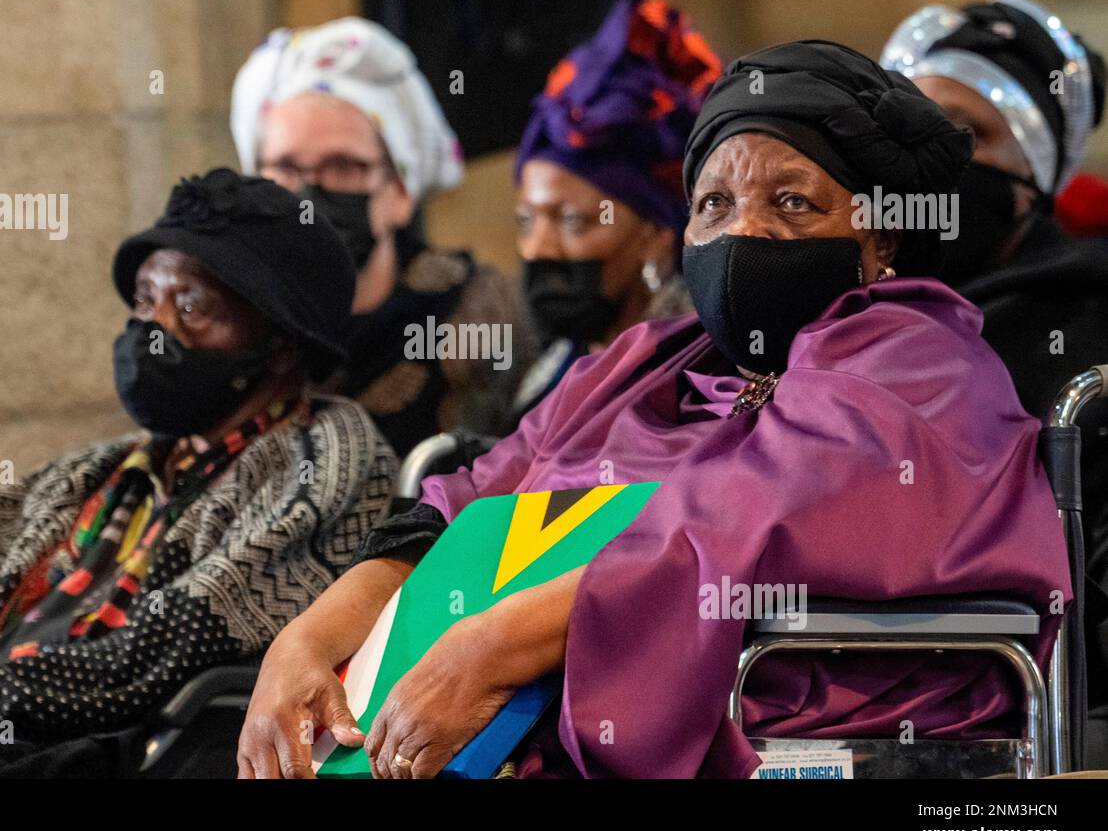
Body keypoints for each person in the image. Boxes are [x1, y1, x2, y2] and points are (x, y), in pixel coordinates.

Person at [235, 41, 1071, 779]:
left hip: (789, 734)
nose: (743, 232)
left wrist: (492, 647)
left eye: (793, 204)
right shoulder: (651, 359)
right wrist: (308, 638)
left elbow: (737, 528)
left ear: (881, 240)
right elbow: (472, 497)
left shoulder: (917, 359)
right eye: (713, 205)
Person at [0, 171, 396, 777]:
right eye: (145, 298)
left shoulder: (326, 456)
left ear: (280, 345)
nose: (152, 328)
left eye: (191, 308)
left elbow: (188, 642)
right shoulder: (110, 467)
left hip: (128, 749)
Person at [882, 0, 1108, 760]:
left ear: (1030, 182)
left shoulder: (1086, 319)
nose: (939, 161)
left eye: (971, 137)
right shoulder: (845, 314)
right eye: (919, 132)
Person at [232, 18, 532, 457]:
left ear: (399, 192)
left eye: (343, 167)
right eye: (286, 169)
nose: (311, 194)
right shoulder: (233, 324)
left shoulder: (478, 315)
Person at [511, 0, 721, 421]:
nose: (538, 249)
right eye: (526, 221)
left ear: (657, 235)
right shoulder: (551, 367)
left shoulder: (702, 372)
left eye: (572, 220)